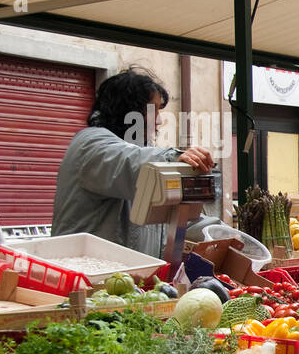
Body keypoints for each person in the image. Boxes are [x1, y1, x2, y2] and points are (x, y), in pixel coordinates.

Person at [52, 68, 213, 258]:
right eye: (153, 111)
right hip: (85, 279)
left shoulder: (145, 155)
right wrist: (171, 158)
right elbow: (129, 162)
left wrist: (227, 236)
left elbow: (176, 216)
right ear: (128, 112)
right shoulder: (90, 145)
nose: (160, 121)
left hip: (131, 282)